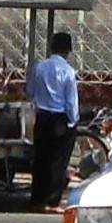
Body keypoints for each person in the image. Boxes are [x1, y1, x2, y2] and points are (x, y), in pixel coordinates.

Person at [27, 31, 80, 211]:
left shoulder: (39, 68)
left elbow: (31, 92)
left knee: (41, 159)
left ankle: (37, 199)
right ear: (68, 51)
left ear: (52, 47)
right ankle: (51, 201)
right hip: (60, 119)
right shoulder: (68, 71)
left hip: (42, 118)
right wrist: (73, 122)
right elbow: (71, 102)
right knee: (58, 161)